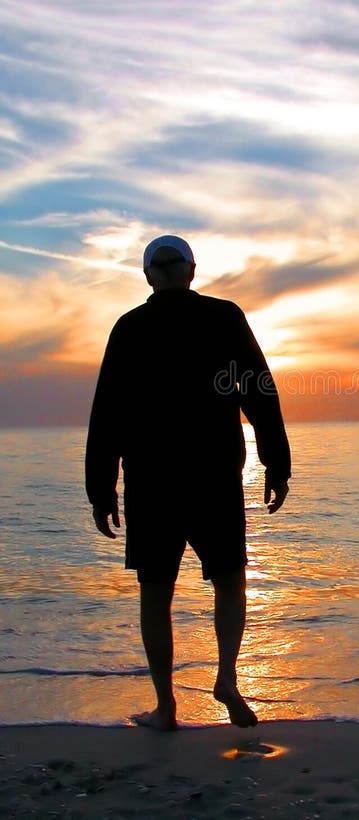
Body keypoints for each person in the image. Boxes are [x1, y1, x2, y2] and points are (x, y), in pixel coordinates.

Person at [85, 234, 291, 731]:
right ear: (190, 272)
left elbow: (107, 413)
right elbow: (260, 391)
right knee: (229, 580)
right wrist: (276, 463)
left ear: (151, 275)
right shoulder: (223, 317)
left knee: (156, 591)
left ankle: (166, 705)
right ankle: (225, 678)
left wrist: (101, 488)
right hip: (212, 474)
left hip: (155, 480)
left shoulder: (131, 327)